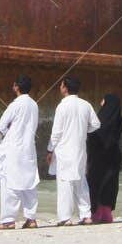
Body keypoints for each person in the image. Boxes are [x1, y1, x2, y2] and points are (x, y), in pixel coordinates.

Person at [47, 75, 100, 225]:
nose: (60, 87)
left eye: (61, 85)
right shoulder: (86, 105)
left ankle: (65, 218)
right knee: (81, 181)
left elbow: (56, 132)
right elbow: (96, 124)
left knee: (65, 183)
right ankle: (86, 215)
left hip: (64, 150)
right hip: (80, 149)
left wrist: (50, 150)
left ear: (65, 88)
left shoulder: (62, 106)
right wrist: (83, 130)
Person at [0, 76, 40, 230]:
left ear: (16, 87)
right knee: (29, 183)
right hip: (29, 148)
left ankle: (8, 220)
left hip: (14, 148)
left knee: (9, 183)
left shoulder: (16, 104)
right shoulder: (34, 105)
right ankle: (31, 219)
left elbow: (2, 125)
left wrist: (11, 133)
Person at [86, 93, 122, 224]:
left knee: (95, 183)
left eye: (103, 99)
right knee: (110, 184)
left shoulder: (99, 119)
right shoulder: (119, 119)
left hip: (98, 156)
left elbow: (93, 137)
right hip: (114, 155)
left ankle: (96, 214)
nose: (101, 102)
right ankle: (107, 214)